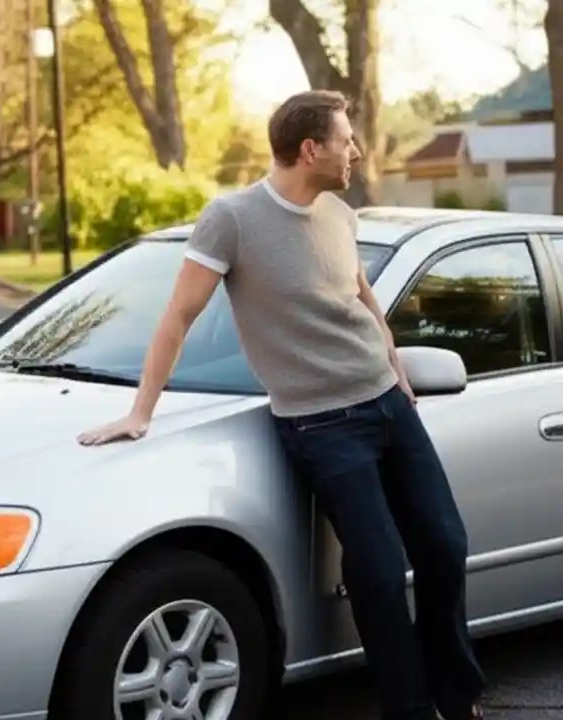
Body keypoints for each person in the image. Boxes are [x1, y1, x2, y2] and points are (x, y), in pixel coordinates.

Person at [76, 89, 485, 720]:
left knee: (444, 546)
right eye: (346, 140)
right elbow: (179, 317)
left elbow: (362, 298)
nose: (355, 151)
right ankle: (408, 709)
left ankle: (456, 696)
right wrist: (140, 413)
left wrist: (395, 366)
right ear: (310, 148)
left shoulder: (339, 214)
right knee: (376, 572)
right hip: (323, 426)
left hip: (387, 405)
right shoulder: (233, 219)